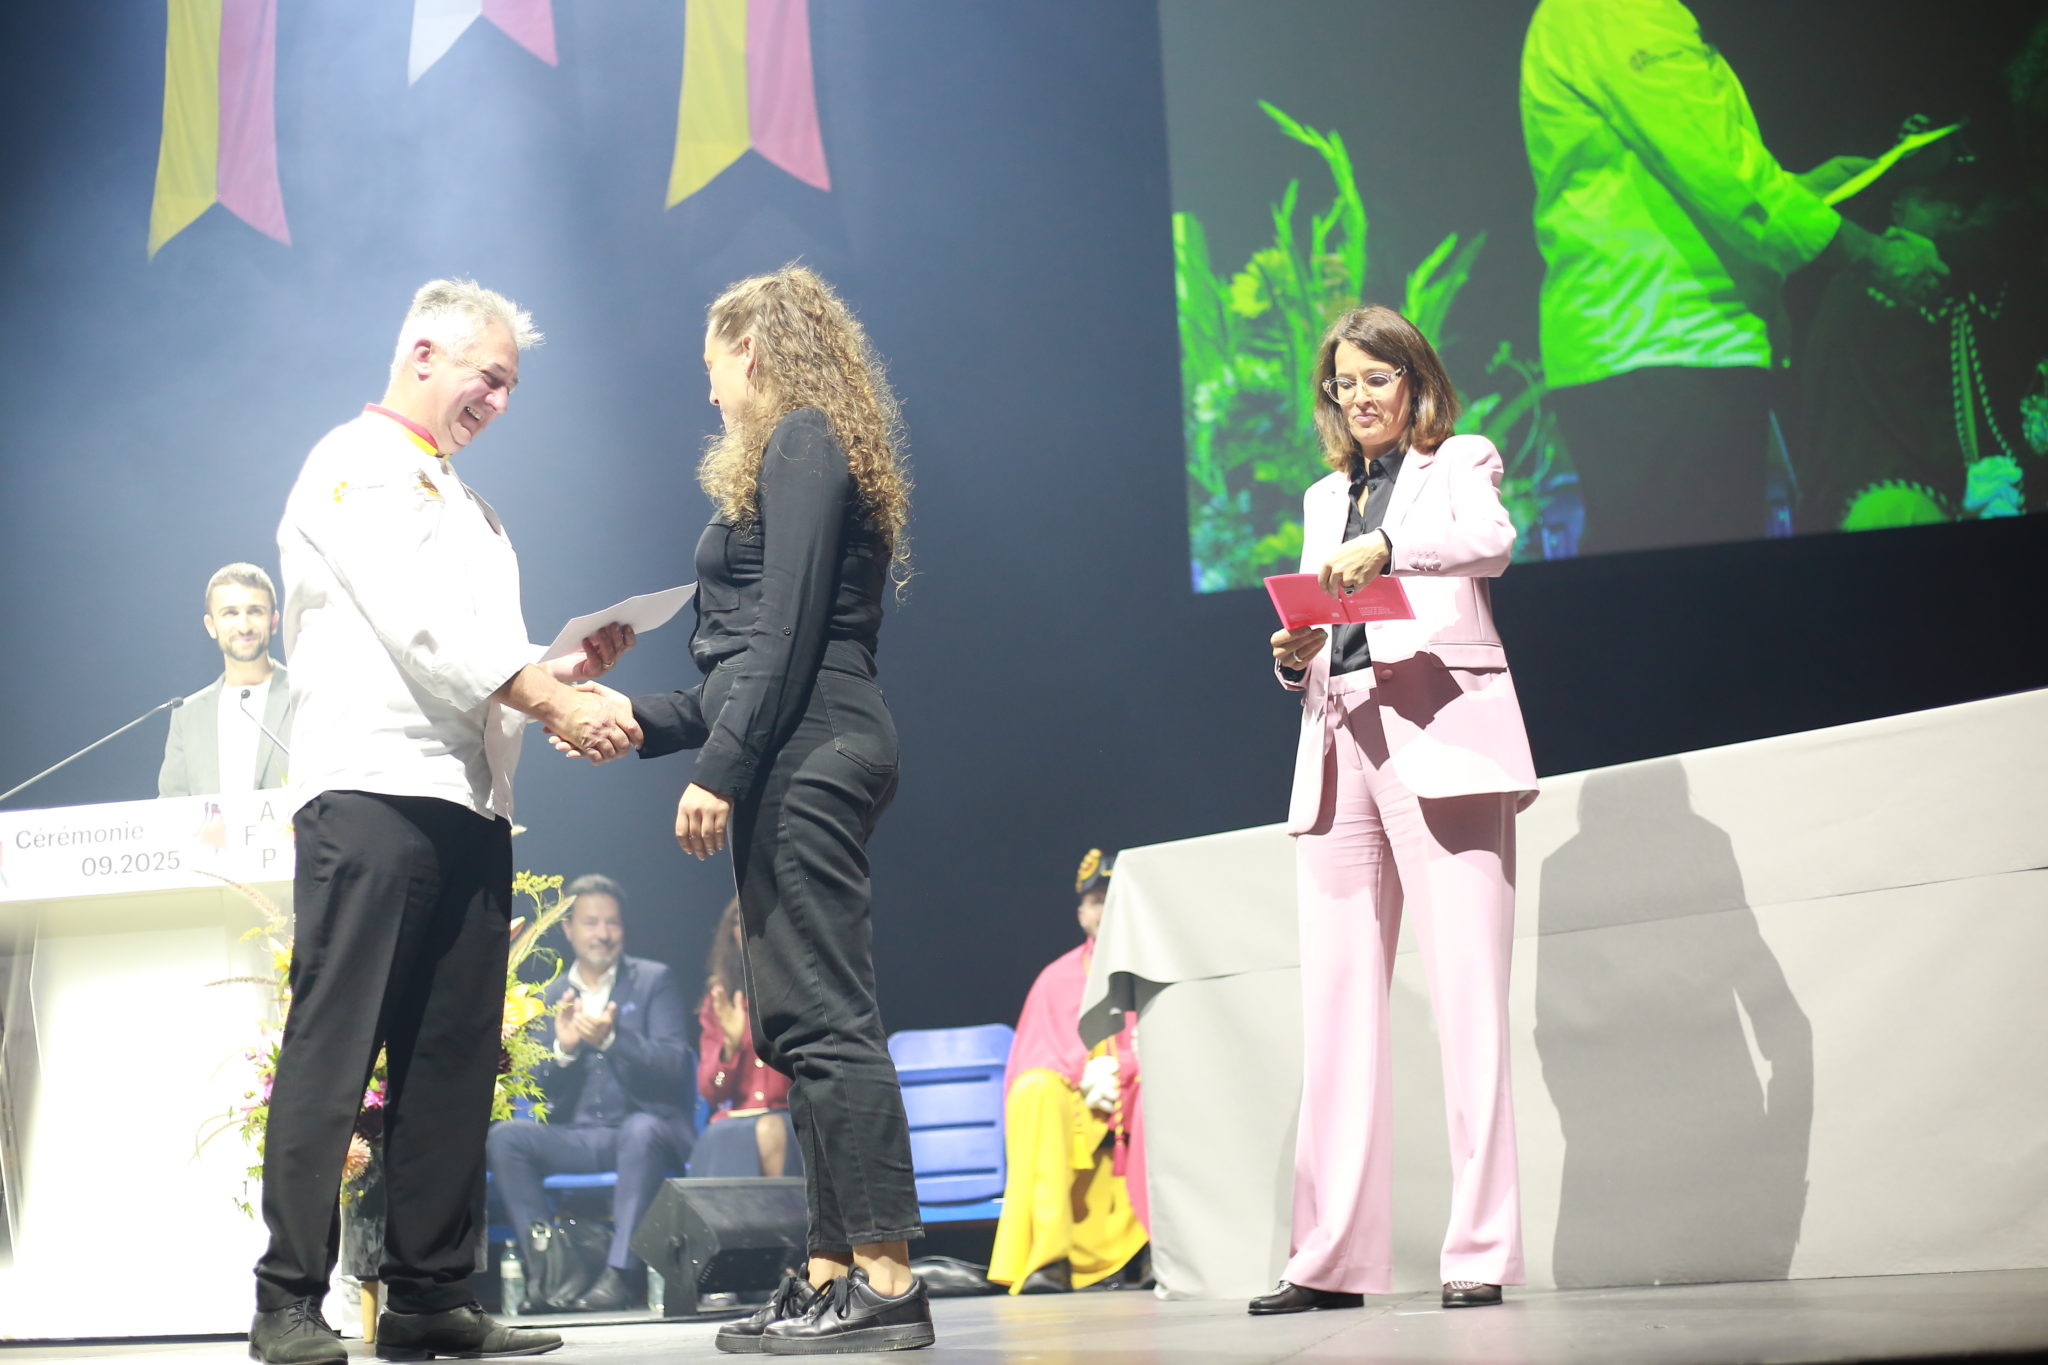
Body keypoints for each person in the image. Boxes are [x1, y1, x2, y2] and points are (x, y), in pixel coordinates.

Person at [251, 278, 640, 1365]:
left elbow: (473, 656)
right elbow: (421, 627)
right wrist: (551, 696)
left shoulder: (468, 501)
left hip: (470, 803)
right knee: (335, 1053)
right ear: (423, 351)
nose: (500, 402)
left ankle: (429, 1294)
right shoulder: (353, 462)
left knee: (453, 1060)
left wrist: (563, 667)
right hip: (372, 793)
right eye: (490, 378)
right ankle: (287, 1297)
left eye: (511, 387)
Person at [562, 264, 930, 1354]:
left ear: (752, 351)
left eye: (714, 368)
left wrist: (717, 768)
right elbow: (734, 671)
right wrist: (626, 718)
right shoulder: (793, 450)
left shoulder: (804, 439)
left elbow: (789, 635)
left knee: (827, 1013)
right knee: (793, 1024)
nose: (711, 392)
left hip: (810, 747)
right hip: (786, 743)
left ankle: (888, 1277)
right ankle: (827, 1272)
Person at [1252, 305, 1539, 1318]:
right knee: (1333, 1016)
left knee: (1466, 1006)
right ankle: (1327, 1261)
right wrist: (1295, 658)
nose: (1361, 397)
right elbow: (1328, 617)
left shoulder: (1457, 458)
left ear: (1413, 381)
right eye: (1344, 383)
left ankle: (1479, 1250)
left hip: (1443, 741)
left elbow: (1491, 544)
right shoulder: (1321, 492)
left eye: (1378, 378)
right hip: (1337, 747)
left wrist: (1383, 547)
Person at [1522, 0, 1949, 553]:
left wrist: (1806, 192)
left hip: (1662, 351)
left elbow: (1698, 178)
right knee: (1690, 606)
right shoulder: (1621, 10)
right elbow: (1726, 175)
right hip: (1662, 351)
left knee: (1677, 601)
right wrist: (1872, 253)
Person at [486, 874, 695, 1313]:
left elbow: (675, 1064)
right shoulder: (553, 995)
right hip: (578, 1136)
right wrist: (562, 1049)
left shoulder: (653, 980)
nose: (603, 934)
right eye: (591, 922)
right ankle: (550, 1275)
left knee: (640, 1131)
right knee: (505, 1137)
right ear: (568, 929)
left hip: (643, 1134)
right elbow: (534, 1086)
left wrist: (614, 1039)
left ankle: (621, 1276)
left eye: (612, 923)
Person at [986, 849, 1148, 1295]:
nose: (1106, 908)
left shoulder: (1161, 966)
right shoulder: (1054, 979)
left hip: (1142, 1105)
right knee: (1035, 1090)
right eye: (1097, 900)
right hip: (1083, 1117)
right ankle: (1051, 1256)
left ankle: (1161, 1247)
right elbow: (1033, 1061)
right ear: (1082, 914)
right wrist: (1086, 1074)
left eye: (1114, 897)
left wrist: (1128, 1071)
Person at [686, 897, 800, 1178]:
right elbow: (712, 1091)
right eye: (738, 921)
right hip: (734, 1122)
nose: (746, 927)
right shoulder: (721, 1001)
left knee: (771, 1131)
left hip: (793, 1118)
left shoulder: (800, 992)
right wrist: (731, 1047)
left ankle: (776, 1222)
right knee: (718, 1136)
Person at [158, 562, 294, 797]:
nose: (244, 626)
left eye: (255, 611)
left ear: (273, 622)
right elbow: (171, 809)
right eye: (230, 613)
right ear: (211, 626)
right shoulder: (187, 714)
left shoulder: (305, 696)